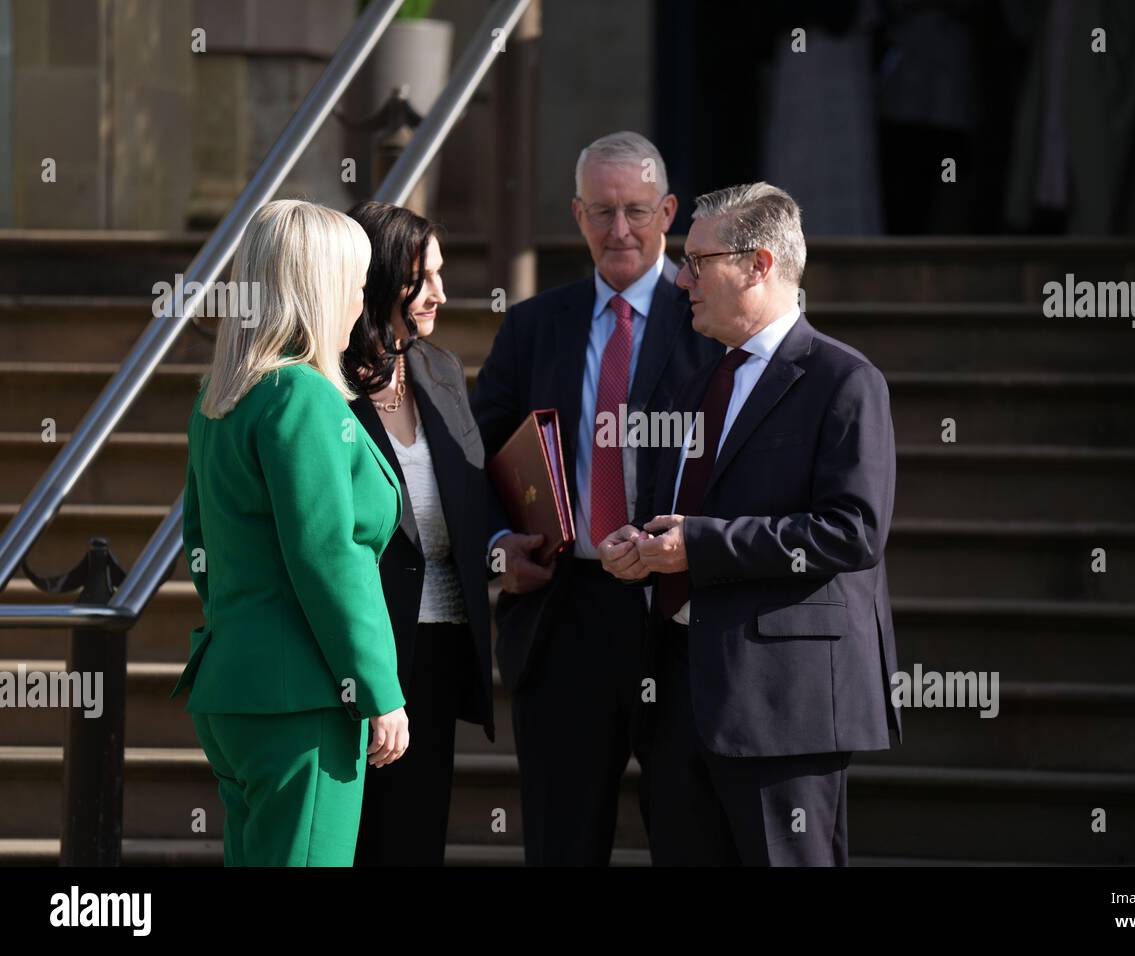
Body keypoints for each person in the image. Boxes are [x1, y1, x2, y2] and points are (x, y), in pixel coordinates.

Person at [599, 182, 900, 866]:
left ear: (758, 265)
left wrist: (696, 547)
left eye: (698, 261)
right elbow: (683, 510)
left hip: (781, 708)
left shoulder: (843, 379)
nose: (680, 279)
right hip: (679, 699)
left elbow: (852, 531)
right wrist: (643, 545)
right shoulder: (695, 385)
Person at [471, 131, 722, 864]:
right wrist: (494, 547)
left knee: (689, 833)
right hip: (564, 612)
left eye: (638, 211)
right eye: (603, 211)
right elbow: (472, 456)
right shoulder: (531, 327)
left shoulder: (712, 322)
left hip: (678, 615)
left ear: (669, 211)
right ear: (577, 214)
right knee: (563, 841)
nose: (621, 231)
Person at [171, 198, 409, 867]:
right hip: (302, 698)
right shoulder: (301, 396)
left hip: (235, 688)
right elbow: (330, 557)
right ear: (320, 289)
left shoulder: (221, 397)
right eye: (356, 287)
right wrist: (377, 689)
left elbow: (202, 551)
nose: (361, 305)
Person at [343, 200, 495, 866]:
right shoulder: (328, 380)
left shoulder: (438, 369)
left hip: (437, 647)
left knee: (416, 840)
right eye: (420, 277)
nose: (439, 292)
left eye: (438, 272)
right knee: (359, 841)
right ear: (376, 280)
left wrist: (500, 547)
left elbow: (468, 494)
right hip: (362, 652)